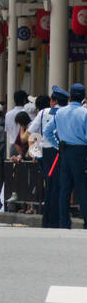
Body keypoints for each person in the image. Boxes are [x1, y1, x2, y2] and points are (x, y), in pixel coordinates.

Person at [51, 83, 87, 230]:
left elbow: (48, 132)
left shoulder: (59, 113)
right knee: (82, 188)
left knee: (65, 189)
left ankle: (63, 222)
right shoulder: (84, 113)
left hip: (64, 152)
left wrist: (57, 144)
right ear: (83, 97)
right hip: (81, 152)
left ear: (70, 96)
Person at [30, 87, 66, 227]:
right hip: (63, 151)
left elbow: (32, 133)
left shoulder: (43, 113)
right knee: (61, 186)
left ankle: (48, 219)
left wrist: (35, 154)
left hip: (47, 153)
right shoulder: (67, 112)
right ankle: (59, 218)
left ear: (53, 101)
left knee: (50, 185)